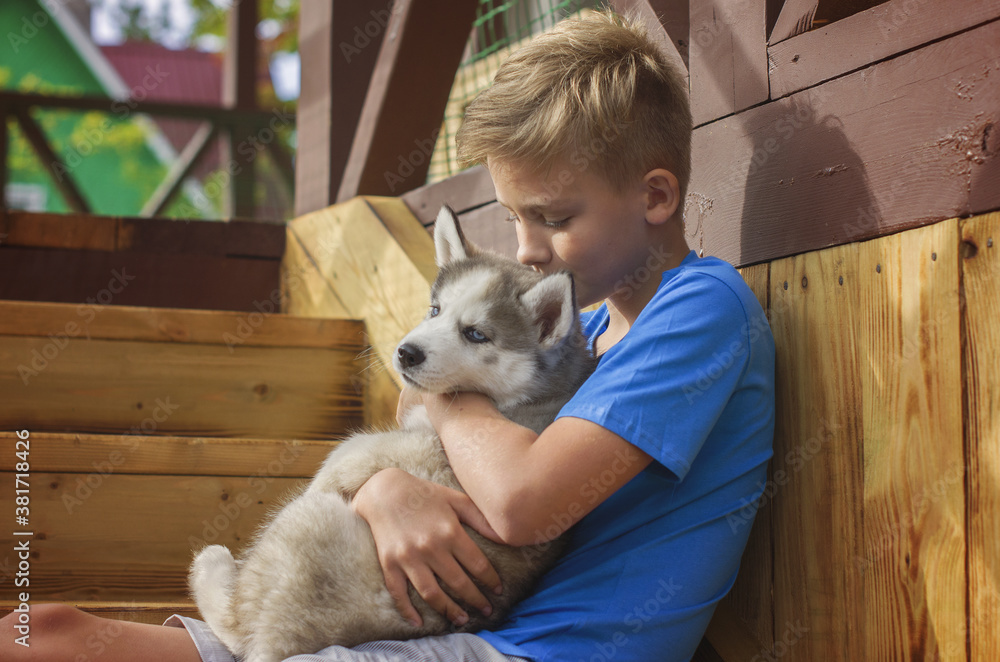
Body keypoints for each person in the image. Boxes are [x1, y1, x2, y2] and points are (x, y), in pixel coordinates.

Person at [0, 10, 774, 662]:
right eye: (513, 217)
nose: (528, 247)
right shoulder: (589, 331)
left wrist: (437, 396)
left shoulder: (702, 310)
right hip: (432, 616)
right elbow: (420, 418)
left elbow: (522, 505)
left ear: (657, 197)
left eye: (555, 217)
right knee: (55, 632)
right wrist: (384, 487)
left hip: (534, 651)